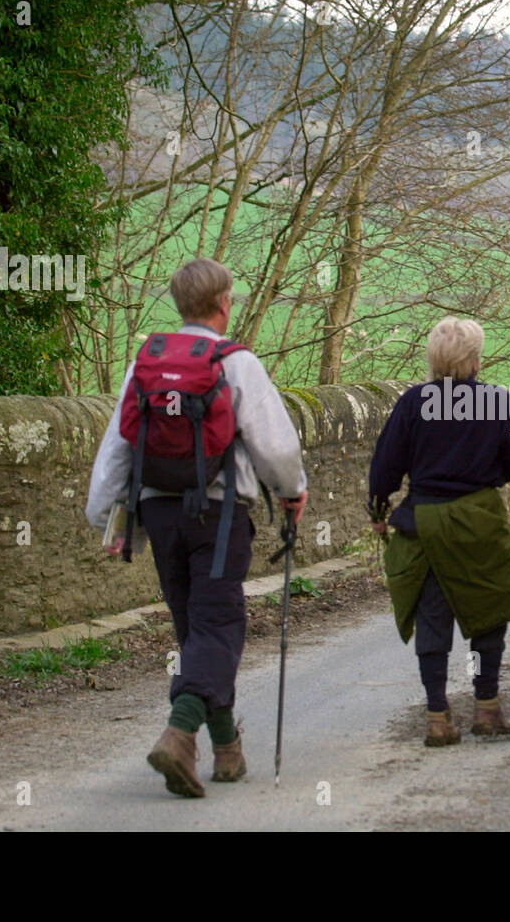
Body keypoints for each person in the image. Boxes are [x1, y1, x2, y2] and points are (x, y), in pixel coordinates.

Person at [85, 257, 307, 797]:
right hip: (218, 510)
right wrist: (292, 491)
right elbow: (275, 444)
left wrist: (107, 519)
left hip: (158, 512)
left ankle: (227, 749)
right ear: (224, 303)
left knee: (194, 626)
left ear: (180, 304)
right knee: (219, 625)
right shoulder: (236, 363)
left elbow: (118, 445)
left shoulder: (148, 361)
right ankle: (180, 731)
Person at [368, 317, 510, 747]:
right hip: (478, 523)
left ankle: (437, 716)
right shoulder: (499, 402)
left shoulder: (413, 403)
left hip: (423, 524)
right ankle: (487, 708)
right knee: (488, 610)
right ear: (475, 361)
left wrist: (378, 507)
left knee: (432, 620)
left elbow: (385, 466)